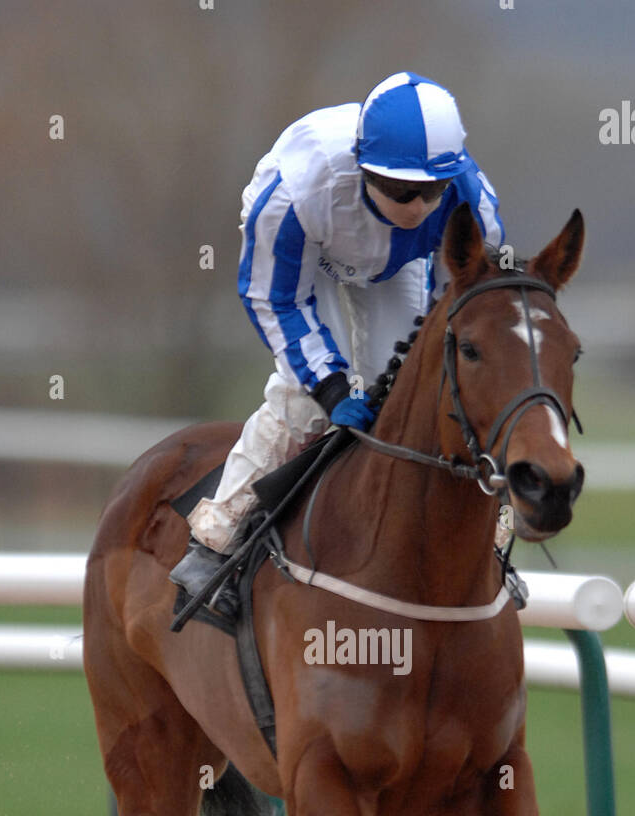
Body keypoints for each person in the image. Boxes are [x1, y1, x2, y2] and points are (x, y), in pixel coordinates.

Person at [170, 71, 504, 617]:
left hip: (395, 264)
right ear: (366, 170)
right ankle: (214, 539)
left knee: (403, 393)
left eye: (432, 191)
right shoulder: (294, 195)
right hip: (308, 256)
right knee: (304, 402)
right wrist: (327, 387)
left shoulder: (473, 206)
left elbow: (466, 313)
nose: (419, 206)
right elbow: (275, 300)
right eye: (401, 190)